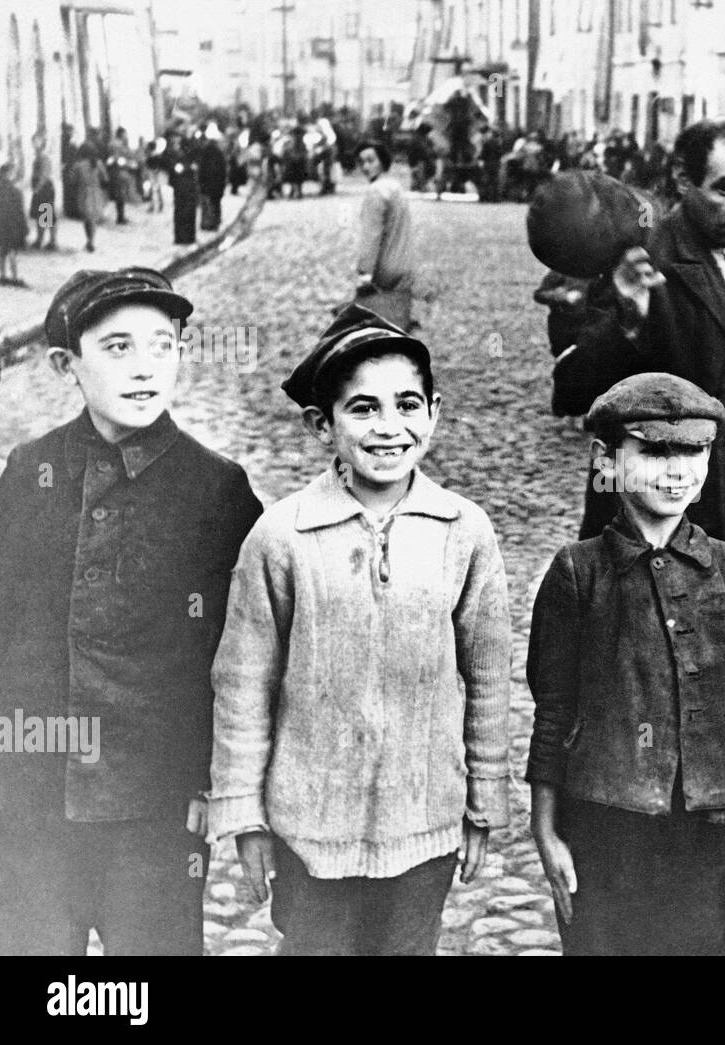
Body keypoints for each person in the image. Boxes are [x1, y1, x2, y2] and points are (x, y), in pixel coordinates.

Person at [208, 304, 512, 956]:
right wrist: (244, 814)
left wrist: (483, 801)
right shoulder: (282, 537)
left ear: (435, 410)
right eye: (363, 409)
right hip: (310, 825)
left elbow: (487, 677)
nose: (389, 428)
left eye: (408, 404)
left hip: (423, 822)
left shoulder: (464, 531)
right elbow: (243, 683)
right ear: (323, 424)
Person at [0, 268, 262, 955]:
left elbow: (243, 660)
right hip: (32, 803)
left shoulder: (216, 489)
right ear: (66, 364)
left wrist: (214, 782)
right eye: (117, 348)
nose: (145, 367)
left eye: (163, 344)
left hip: (157, 807)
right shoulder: (30, 470)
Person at [526, 372, 725, 955]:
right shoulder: (577, 571)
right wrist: (545, 828)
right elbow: (553, 708)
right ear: (608, 461)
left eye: (695, 451)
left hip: (703, 827)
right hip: (602, 824)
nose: (677, 470)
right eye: (655, 451)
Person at [552, 116, 725, 614]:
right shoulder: (644, 258)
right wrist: (629, 317)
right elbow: (574, 387)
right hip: (655, 517)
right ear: (683, 180)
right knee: (651, 669)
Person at [355, 140, 415, 330]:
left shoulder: (375, 192)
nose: (365, 167)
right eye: (361, 162)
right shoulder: (395, 188)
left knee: (376, 328)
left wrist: (365, 273)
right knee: (398, 324)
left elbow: (371, 236)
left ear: (382, 161)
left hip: (384, 269)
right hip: (404, 264)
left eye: (370, 160)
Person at [71, 143, 106, 253]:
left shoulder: (78, 165)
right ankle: (91, 240)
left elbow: (72, 180)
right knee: (92, 219)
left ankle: (89, 240)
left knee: (86, 218)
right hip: (96, 192)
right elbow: (105, 178)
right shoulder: (98, 164)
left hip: (83, 192)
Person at [0, 163, 29, 287]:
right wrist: (25, 228)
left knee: (2, 252)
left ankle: (3, 275)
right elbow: (20, 211)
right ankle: (14, 276)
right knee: (13, 252)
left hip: (1, 225)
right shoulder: (16, 192)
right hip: (13, 226)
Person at [169, 135, 199, 246]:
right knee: (186, 213)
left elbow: (174, 172)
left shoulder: (180, 156)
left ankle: (183, 237)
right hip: (186, 188)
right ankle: (186, 237)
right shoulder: (184, 157)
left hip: (182, 189)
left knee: (182, 213)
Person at [197, 124, 228, 232]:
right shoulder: (219, 153)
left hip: (207, 183)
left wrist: (201, 182)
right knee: (215, 203)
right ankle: (215, 222)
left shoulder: (205, 152)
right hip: (217, 183)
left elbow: (202, 169)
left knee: (208, 203)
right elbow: (222, 169)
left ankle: (208, 223)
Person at [29, 152, 57, 251]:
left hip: (44, 189)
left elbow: (44, 175)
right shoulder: (38, 158)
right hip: (42, 188)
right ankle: (41, 240)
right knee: (41, 215)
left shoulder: (44, 159)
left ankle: (50, 241)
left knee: (46, 215)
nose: (35, 144)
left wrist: (37, 188)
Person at [105, 128, 133, 225]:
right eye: (125, 134)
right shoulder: (116, 145)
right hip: (119, 173)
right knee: (120, 195)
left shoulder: (115, 143)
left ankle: (121, 216)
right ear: (121, 134)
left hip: (118, 172)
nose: (127, 136)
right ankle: (120, 217)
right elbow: (117, 159)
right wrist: (128, 164)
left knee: (121, 195)